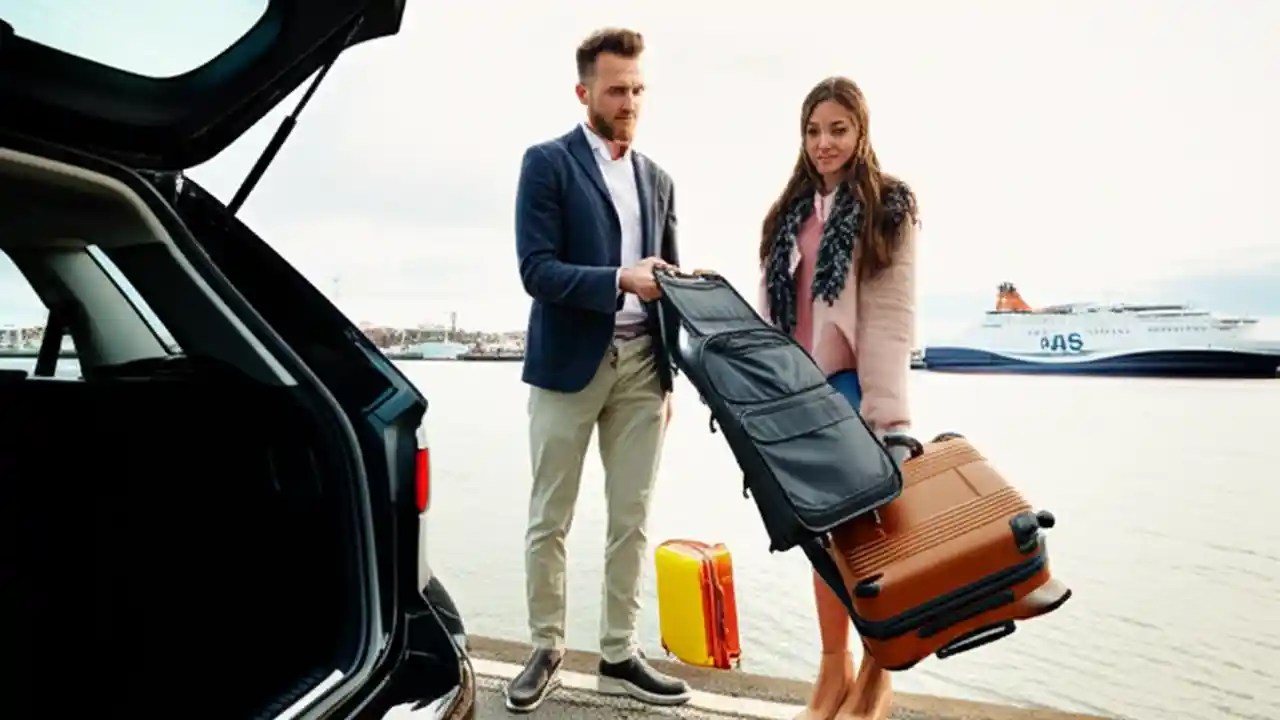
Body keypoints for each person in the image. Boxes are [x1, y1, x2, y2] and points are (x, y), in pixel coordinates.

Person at [506, 26, 690, 714]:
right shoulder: (546, 164)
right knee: (549, 517)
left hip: (645, 368)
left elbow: (663, 280)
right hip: (567, 365)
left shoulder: (660, 179)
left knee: (632, 518)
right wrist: (619, 277)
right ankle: (546, 649)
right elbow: (536, 271)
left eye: (639, 88)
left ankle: (619, 651)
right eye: (617, 89)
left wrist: (672, 372)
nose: (630, 100)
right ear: (584, 91)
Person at [756, 76, 919, 720]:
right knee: (821, 543)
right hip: (797, 396)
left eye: (838, 129)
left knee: (868, 541)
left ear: (861, 132)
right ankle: (832, 670)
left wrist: (891, 422)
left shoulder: (888, 206)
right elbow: (772, 317)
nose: (824, 143)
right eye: (813, 130)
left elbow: (890, 320)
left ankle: (879, 672)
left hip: (853, 393)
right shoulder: (786, 212)